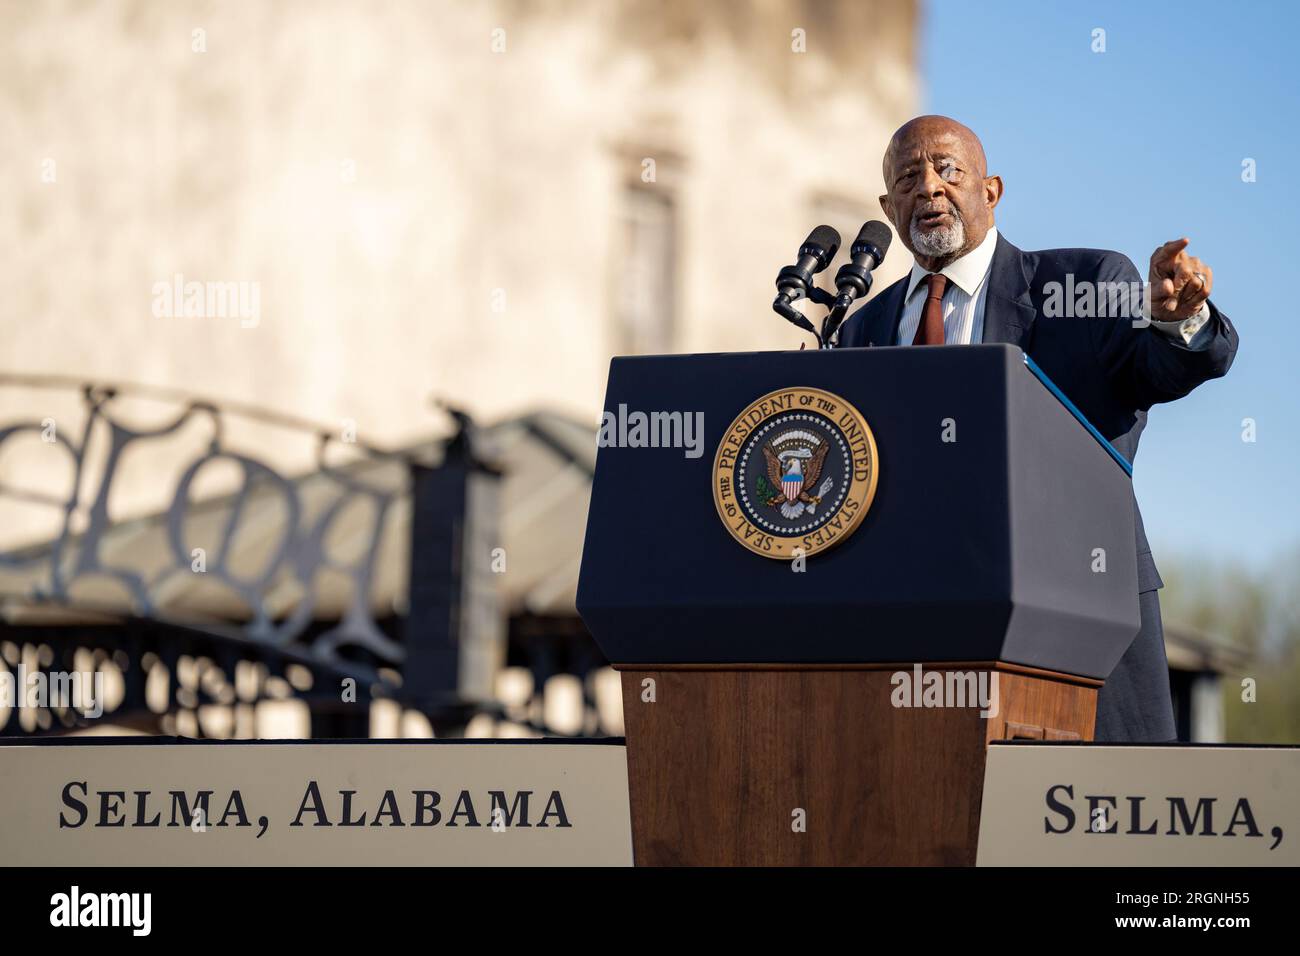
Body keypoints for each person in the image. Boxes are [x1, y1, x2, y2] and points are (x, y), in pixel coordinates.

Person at [837, 115, 1239, 741]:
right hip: (917, 633)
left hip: (1077, 613)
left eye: (948, 170)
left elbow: (1158, 370)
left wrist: (1177, 322)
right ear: (889, 207)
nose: (930, 189)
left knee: (1089, 829)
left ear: (990, 191)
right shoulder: (862, 328)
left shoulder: (1080, 286)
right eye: (909, 178)